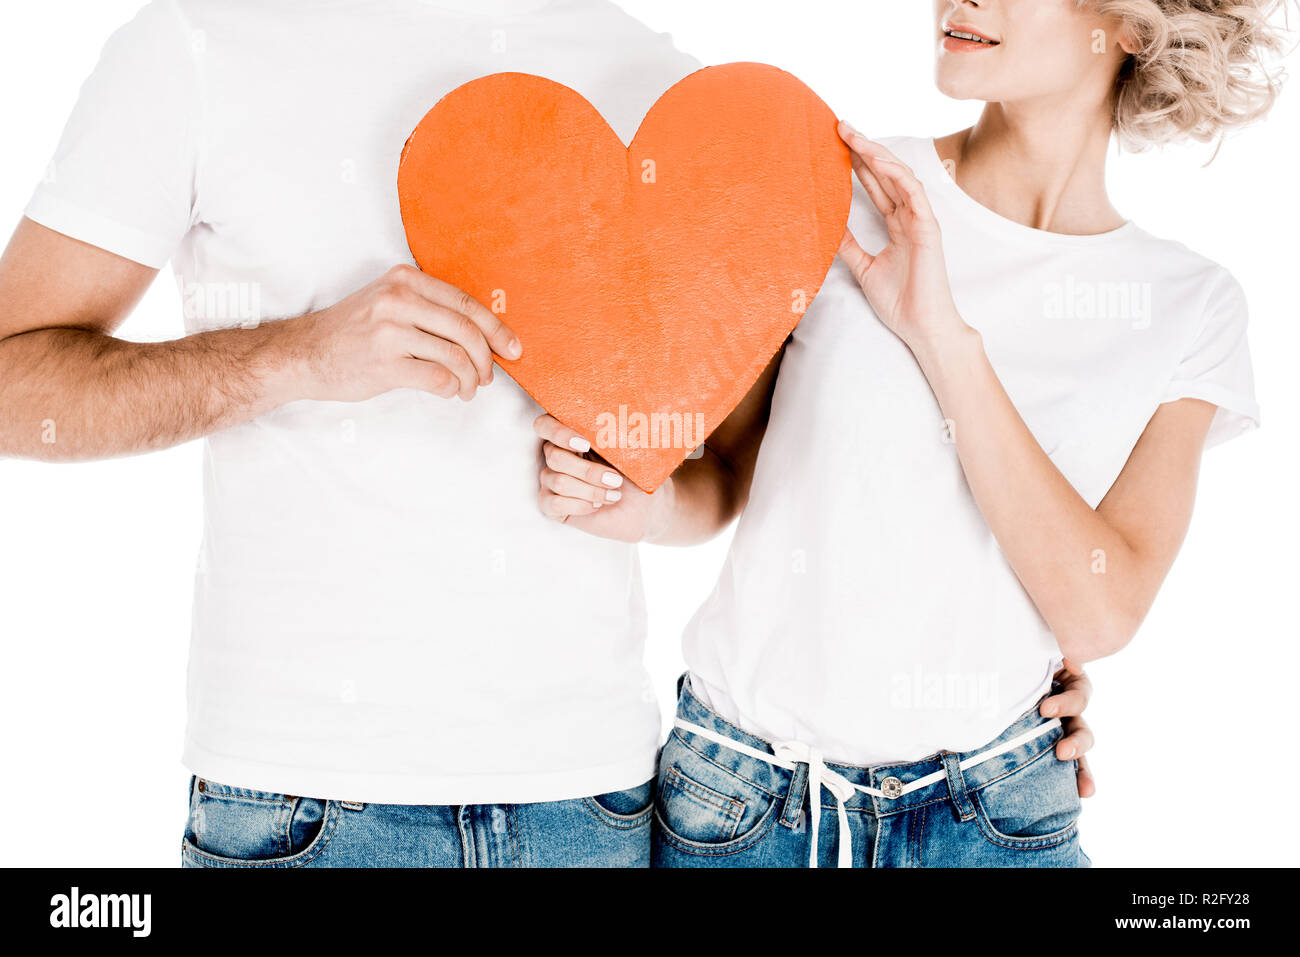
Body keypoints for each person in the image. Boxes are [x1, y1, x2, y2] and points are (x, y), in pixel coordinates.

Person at [536, 0, 1283, 866]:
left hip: (994, 816)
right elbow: (728, 471)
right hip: (743, 804)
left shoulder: (1187, 305)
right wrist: (649, 506)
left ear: (1131, 26)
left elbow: (1099, 611)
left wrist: (941, 336)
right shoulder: (843, 190)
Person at [0, 0, 708, 868]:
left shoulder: (643, 70)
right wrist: (298, 354)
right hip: (301, 799)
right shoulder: (196, 44)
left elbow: (722, 467)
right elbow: (11, 379)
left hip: (588, 798)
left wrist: (648, 488)